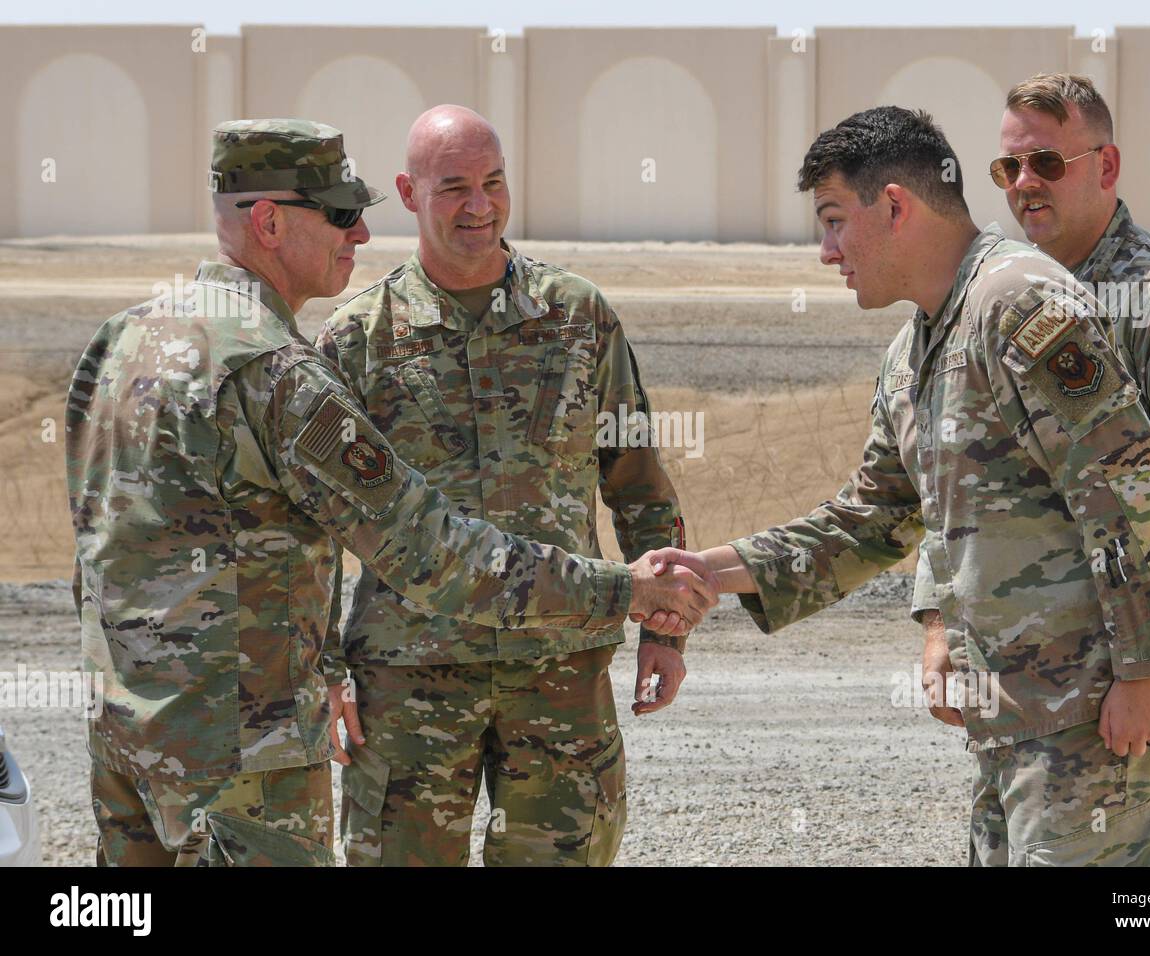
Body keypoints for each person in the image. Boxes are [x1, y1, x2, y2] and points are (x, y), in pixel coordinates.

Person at [65, 118, 713, 867]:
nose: (362, 233)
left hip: (133, 737)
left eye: (493, 182)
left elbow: (96, 544)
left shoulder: (120, 341)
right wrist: (620, 591)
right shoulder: (286, 368)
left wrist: (659, 622)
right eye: (341, 214)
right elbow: (428, 547)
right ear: (270, 222)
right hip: (250, 750)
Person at [649, 106, 1150, 866]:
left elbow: (1131, 488)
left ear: (894, 206)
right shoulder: (914, 349)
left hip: (1092, 711)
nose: (825, 252)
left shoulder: (1019, 304)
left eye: (832, 221)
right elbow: (870, 520)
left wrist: (1149, 670)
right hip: (1012, 717)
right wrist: (710, 572)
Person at [317, 105, 686, 866]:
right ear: (409, 192)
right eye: (453, 187)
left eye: (492, 182)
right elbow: (315, 528)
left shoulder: (579, 318)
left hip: (561, 665)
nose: (479, 206)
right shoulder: (355, 339)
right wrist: (322, 672)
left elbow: (638, 482)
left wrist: (665, 630)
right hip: (409, 672)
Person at [916, 75, 1150, 739]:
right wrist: (940, 622)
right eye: (1008, 167)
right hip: (1016, 670)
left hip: (1118, 679)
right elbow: (962, 478)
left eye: (1047, 162)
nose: (1024, 183)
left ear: (1107, 165)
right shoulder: (1004, 296)